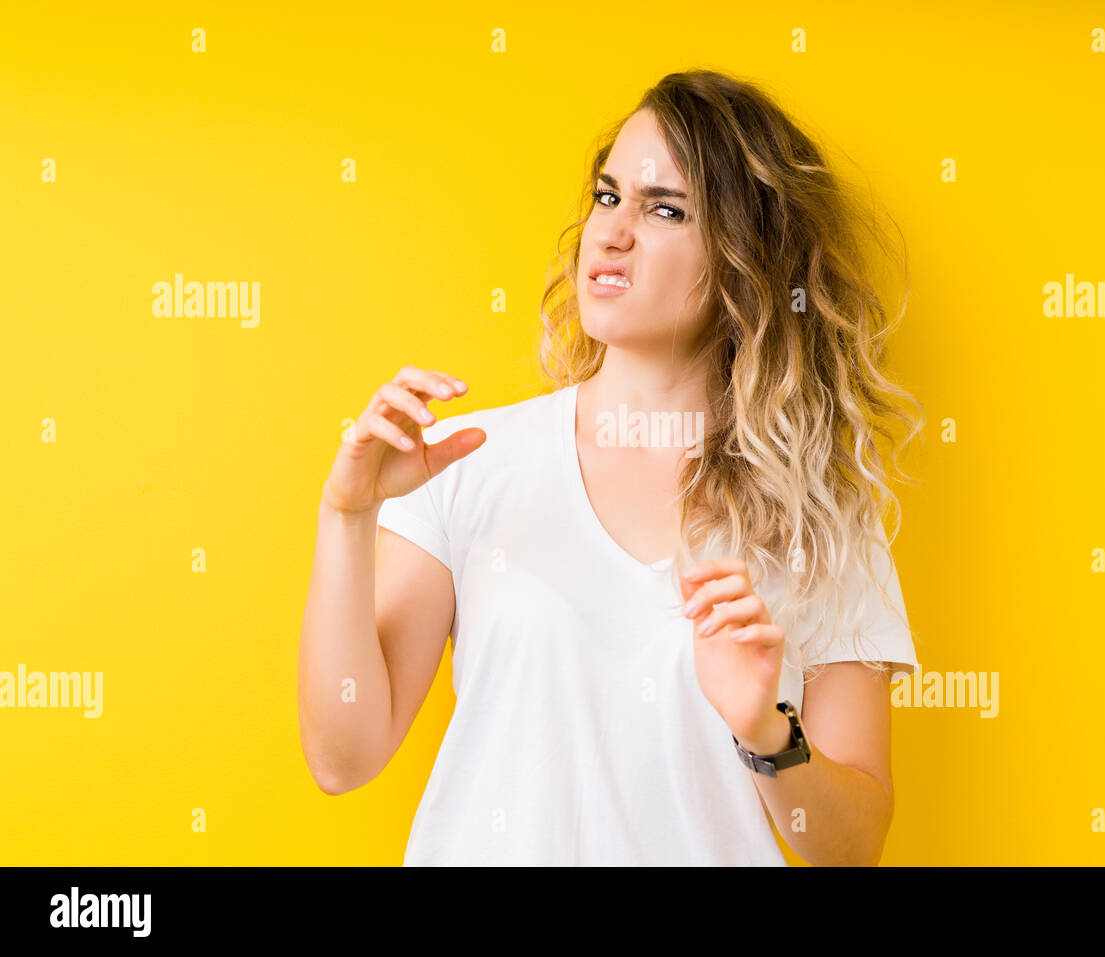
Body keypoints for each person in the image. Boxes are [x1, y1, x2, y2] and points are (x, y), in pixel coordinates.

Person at [298, 69, 924, 866]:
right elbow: (342, 759)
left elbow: (852, 846)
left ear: (744, 260)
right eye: (607, 196)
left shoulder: (819, 515)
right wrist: (347, 516)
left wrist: (768, 731)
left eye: (665, 209)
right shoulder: (464, 462)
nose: (612, 233)